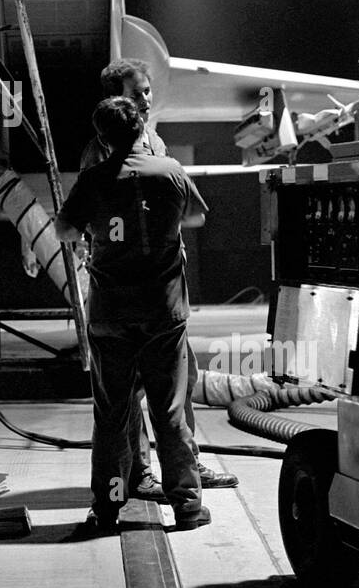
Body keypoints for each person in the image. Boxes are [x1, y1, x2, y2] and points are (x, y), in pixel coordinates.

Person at [77, 59, 237, 494]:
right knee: (127, 396)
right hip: (133, 293)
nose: (146, 99)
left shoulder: (155, 139)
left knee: (181, 386)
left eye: (148, 92)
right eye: (138, 93)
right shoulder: (101, 153)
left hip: (164, 291)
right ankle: (139, 473)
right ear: (116, 100)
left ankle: (186, 468)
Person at [56, 96, 213, 532]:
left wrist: (100, 226)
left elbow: (65, 230)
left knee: (111, 416)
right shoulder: (171, 171)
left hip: (111, 316)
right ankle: (186, 507)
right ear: (142, 128)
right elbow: (198, 216)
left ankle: (107, 509)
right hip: (163, 313)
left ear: (103, 139)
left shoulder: (92, 179)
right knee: (170, 412)